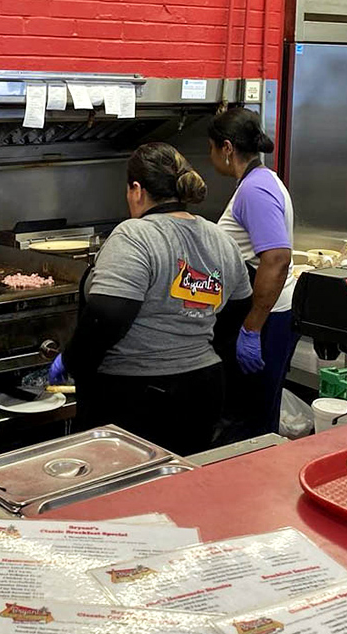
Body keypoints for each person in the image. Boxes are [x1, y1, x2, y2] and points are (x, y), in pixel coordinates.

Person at [49, 142, 252, 456]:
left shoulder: (135, 235)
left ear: (136, 189)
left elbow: (109, 315)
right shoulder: (221, 239)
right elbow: (238, 308)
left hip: (136, 397)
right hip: (204, 389)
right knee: (179, 486)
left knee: (123, 493)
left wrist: (73, 360)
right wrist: (193, 339)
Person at [208, 107, 295, 440]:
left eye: (212, 147)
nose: (211, 155)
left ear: (227, 148)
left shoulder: (254, 190)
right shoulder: (260, 180)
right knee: (256, 419)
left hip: (265, 319)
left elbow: (276, 258)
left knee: (248, 424)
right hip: (264, 316)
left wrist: (251, 329)